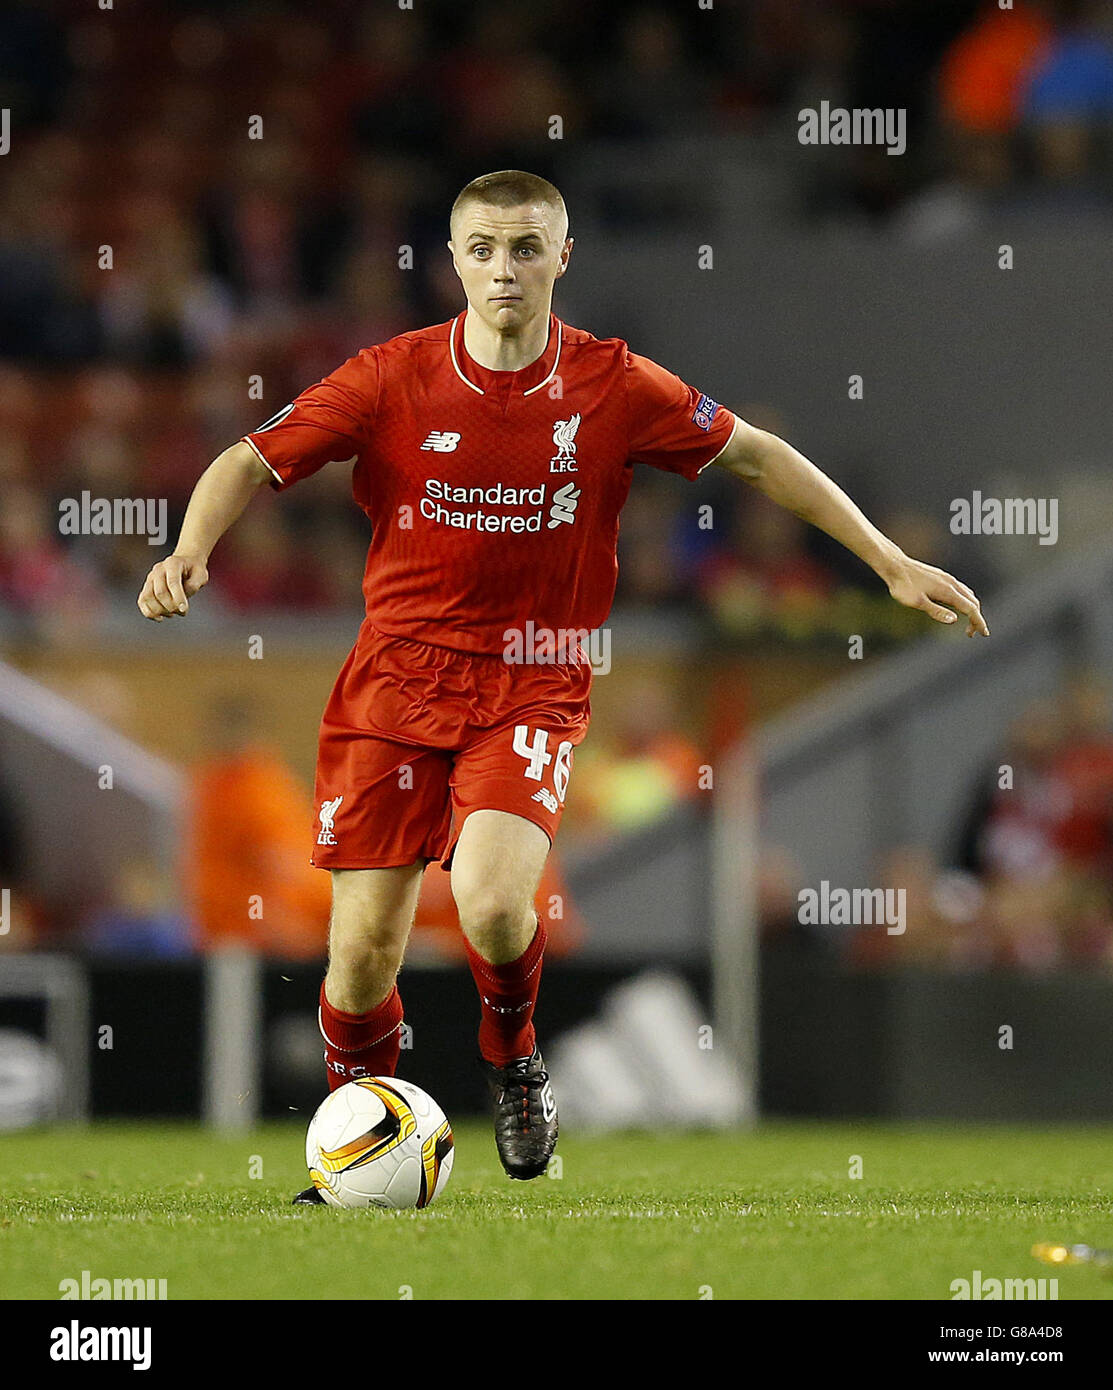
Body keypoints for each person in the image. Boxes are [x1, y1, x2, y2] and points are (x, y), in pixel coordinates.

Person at [137, 169, 988, 1202]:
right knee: (360, 955)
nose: (505, 268)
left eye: (527, 247)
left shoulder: (616, 385)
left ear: (563, 257)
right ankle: (362, 1139)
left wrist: (886, 560)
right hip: (393, 684)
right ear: (453, 260)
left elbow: (758, 459)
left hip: (533, 676)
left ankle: (515, 1058)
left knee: (496, 905)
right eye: (484, 247)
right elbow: (245, 460)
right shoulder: (387, 377)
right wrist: (188, 550)